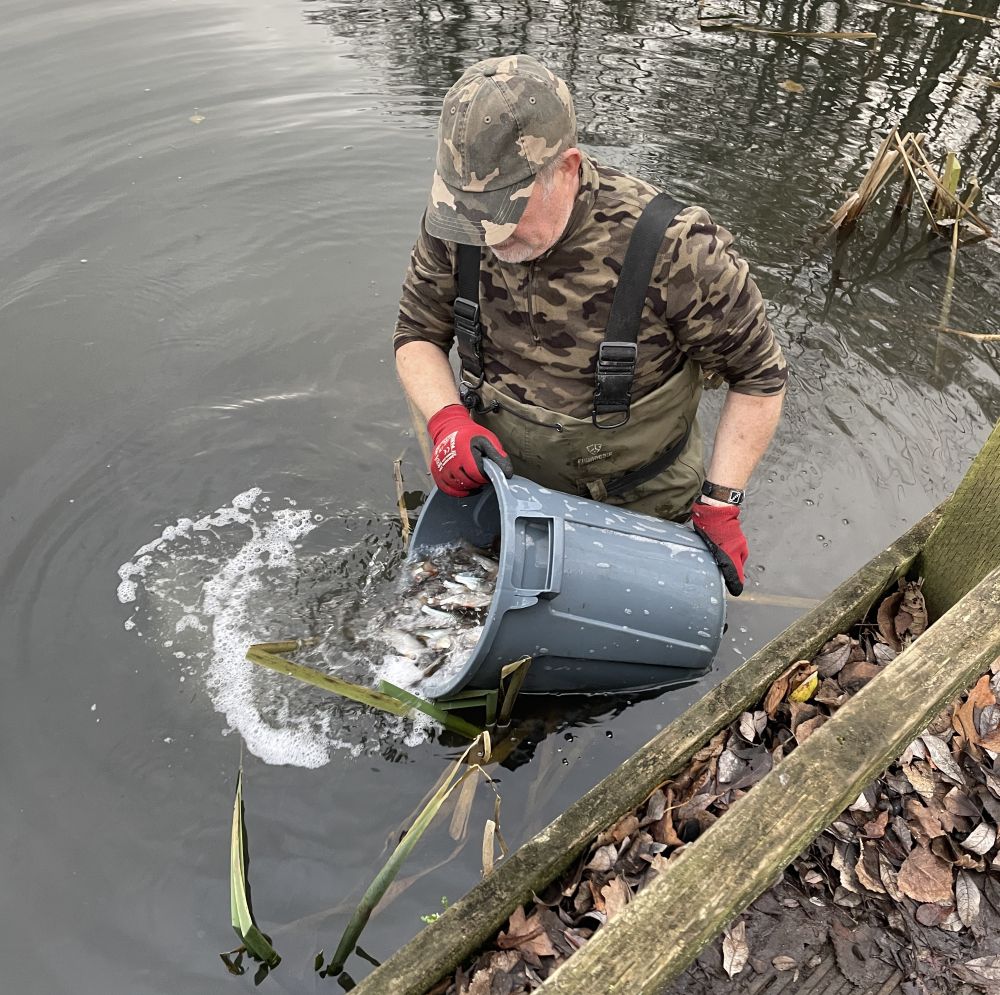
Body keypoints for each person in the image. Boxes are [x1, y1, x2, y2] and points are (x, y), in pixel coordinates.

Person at [393, 54, 786, 597]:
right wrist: (446, 423)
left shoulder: (675, 249)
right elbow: (416, 334)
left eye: (504, 211)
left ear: (568, 167)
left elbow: (759, 377)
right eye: (469, 212)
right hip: (506, 486)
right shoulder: (458, 225)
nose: (486, 235)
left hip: (640, 503)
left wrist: (721, 503)